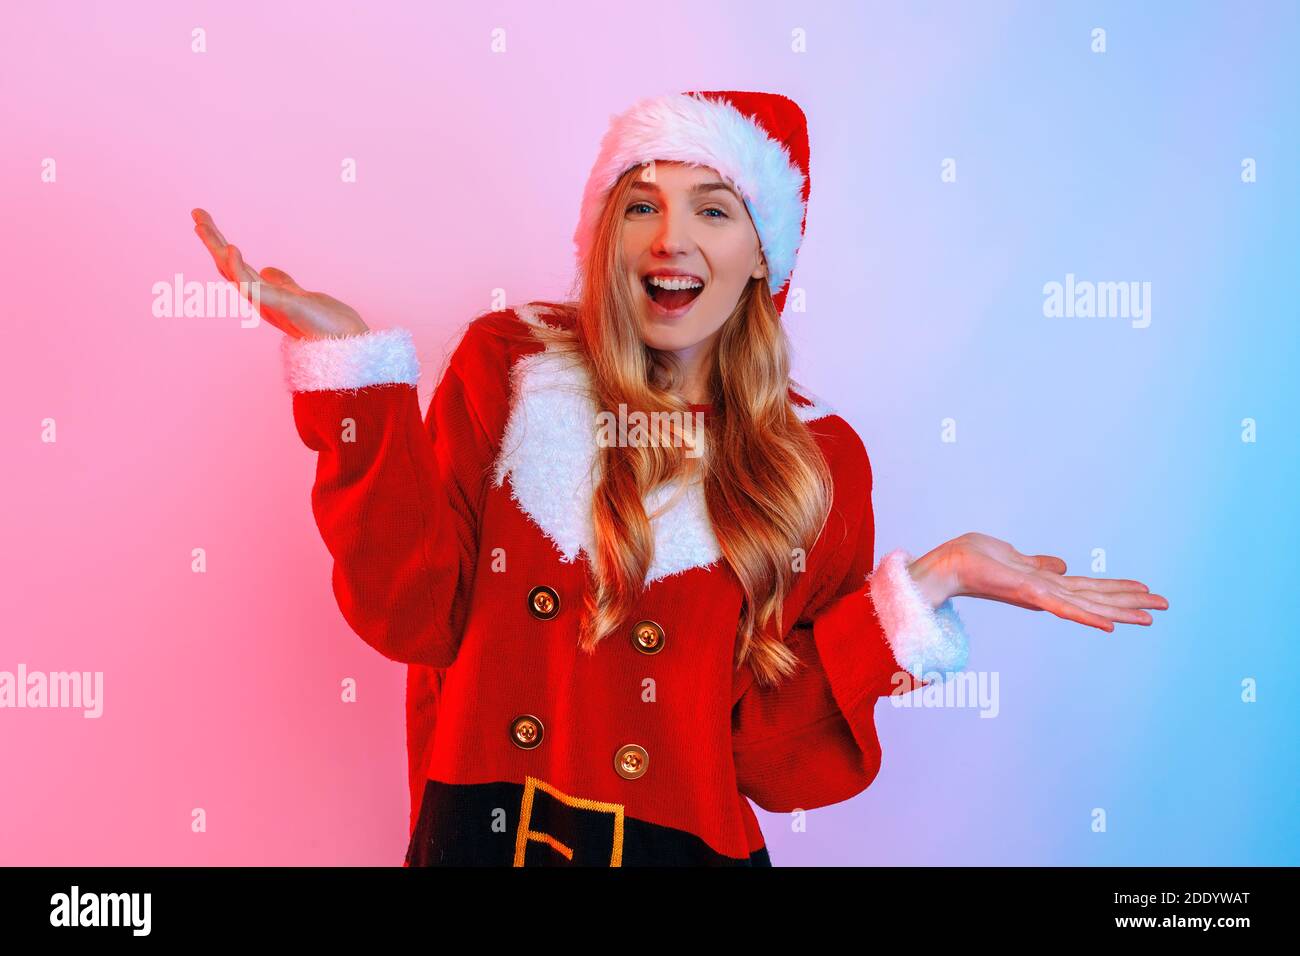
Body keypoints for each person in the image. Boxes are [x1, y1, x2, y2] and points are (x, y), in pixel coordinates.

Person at [191, 90, 1168, 866]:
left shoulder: (815, 462)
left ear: (761, 258)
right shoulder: (507, 367)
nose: (671, 238)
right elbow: (413, 613)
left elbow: (767, 757)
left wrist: (930, 585)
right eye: (641, 205)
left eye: (714, 209)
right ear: (605, 237)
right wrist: (355, 376)